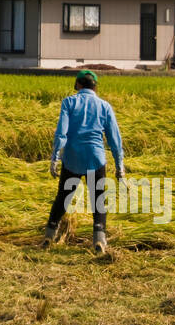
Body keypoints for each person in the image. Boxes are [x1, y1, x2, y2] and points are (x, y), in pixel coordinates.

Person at [42, 69, 127, 255]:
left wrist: (55, 157)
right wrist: (120, 166)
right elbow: (114, 138)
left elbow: (61, 132)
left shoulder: (69, 102)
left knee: (63, 197)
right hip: (95, 158)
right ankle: (99, 240)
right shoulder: (104, 106)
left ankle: (49, 235)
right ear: (95, 87)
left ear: (78, 85)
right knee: (98, 200)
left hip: (72, 157)